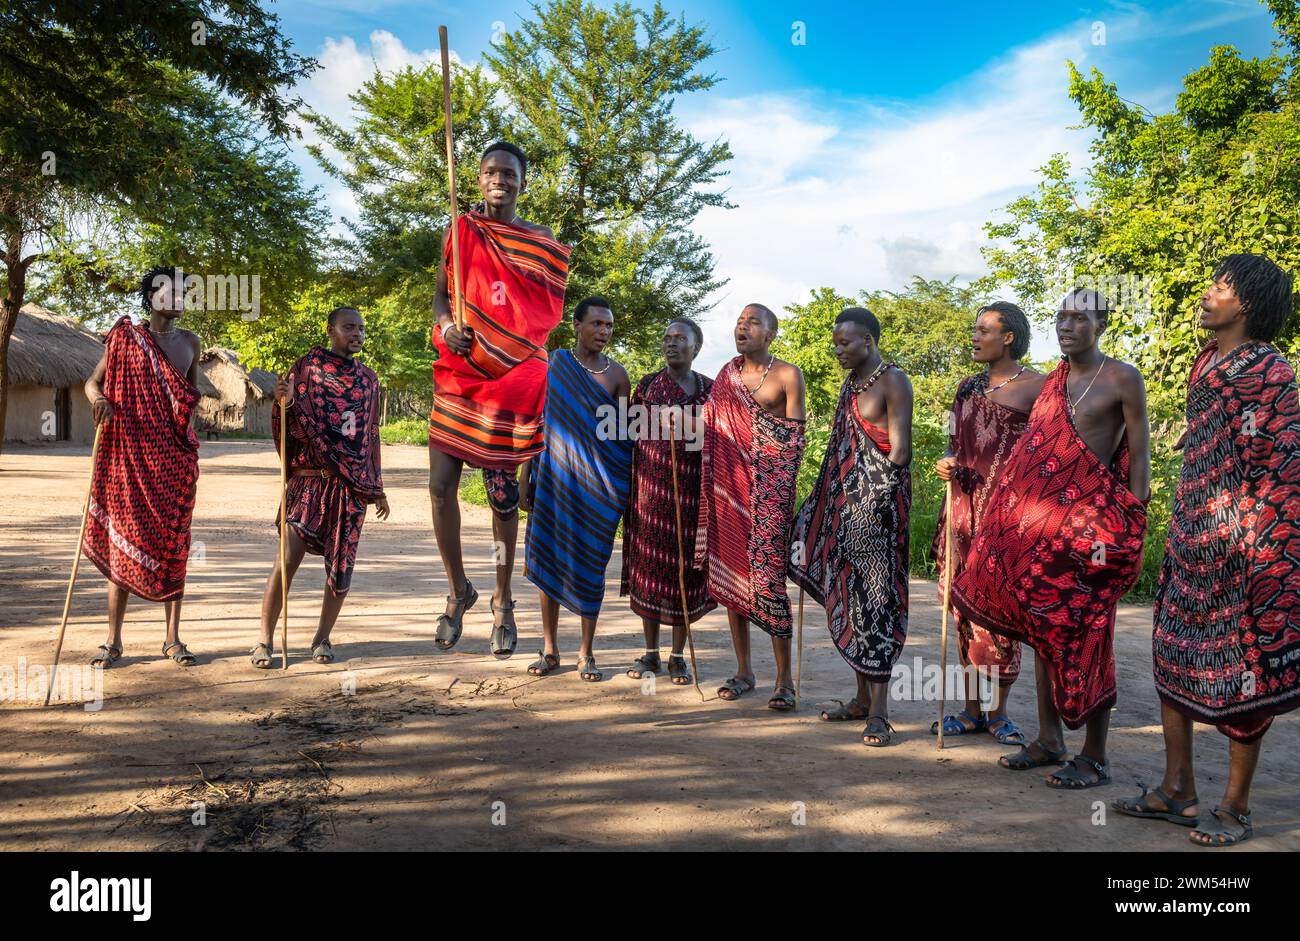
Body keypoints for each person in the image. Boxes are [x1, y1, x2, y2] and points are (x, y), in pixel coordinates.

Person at [1115, 254, 1299, 847]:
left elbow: (1284, 467)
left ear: (1246, 303)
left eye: (1220, 286)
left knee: (1243, 670)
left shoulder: (1270, 371)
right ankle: (1178, 790)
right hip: (1194, 539)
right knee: (1172, 655)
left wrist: (1261, 546)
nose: (1207, 293)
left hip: (1245, 547)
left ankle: (1236, 806)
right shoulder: (1204, 363)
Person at [952, 287, 1151, 788]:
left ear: (1101, 325)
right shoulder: (1051, 386)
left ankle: (1096, 755)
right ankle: (1048, 739)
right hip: (1041, 535)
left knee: (1089, 639)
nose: (1067, 326)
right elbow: (1027, 457)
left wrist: (1131, 521)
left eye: (1080, 318)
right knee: (1043, 633)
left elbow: (1139, 459)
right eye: (1062, 317)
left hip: (1093, 533)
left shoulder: (1122, 378)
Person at [428, 141, 571, 657]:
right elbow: (442, 296)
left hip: (514, 379)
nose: (499, 180)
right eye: (490, 171)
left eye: (509, 173)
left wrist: (497, 341)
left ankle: (503, 599)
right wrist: (447, 330)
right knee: (440, 488)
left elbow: (544, 315)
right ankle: (458, 587)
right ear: (478, 178)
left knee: (502, 497)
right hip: (460, 372)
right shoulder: (460, 229)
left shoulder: (541, 242)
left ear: (522, 182)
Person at [791, 307, 913, 745]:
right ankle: (860, 698)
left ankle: (879, 713)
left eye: (846, 342)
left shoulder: (893, 381)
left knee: (878, 603)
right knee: (851, 596)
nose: (838, 349)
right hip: (845, 507)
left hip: (880, 512)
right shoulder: (850, 385)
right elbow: (838, 452)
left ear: (869, 341)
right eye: (836, 342)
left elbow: (899, 451)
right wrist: (822, 503)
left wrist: (869, 504)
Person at [931, 302, 1046, 745]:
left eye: (984, 330)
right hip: (962, 508)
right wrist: (947, 462)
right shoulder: (967, 387)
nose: (975, 337)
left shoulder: (1038, 388)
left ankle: (1000, 713)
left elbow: (1046, 452)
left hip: (1008, 515)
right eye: (974, 329)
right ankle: (971, 709)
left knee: (999, 609)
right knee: (963, 610)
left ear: (1009, 337)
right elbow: (955, 444)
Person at [251, 307, 390, 668]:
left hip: (350, 488)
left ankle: (322, 637)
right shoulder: (307, 369)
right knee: (286, 560)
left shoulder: (369, 381)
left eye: (361, 328)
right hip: (309, 482)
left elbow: (370, 437)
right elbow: (291, 420)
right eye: (349, 327)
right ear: (331, 330)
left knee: (340, 570)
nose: (357, 333)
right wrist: (284, 404)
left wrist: (376, 486)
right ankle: (265, 640)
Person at [82, 266, 203, 668]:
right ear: (149, 297)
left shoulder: (190, 343)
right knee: (123, 546)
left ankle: (173, 639)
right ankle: (113, 642)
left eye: (185, 291)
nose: (180, 296)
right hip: (128, 461)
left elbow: (190, 397)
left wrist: (185, 448)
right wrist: (98, 401)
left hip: (173, 465)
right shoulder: (125, 339)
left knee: (174, 549)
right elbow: (91, 383)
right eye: (170, 290)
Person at [696, 303, 807, 710]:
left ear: (771, 334)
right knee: (732, 579)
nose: (743, 328)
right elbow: (713, 424)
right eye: (739, 322)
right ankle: (744, 670)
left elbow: (795, 439)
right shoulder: (726, 375)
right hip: (728, 492)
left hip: (769, 494)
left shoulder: (787, 375)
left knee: (768, 583)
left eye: (753, 322)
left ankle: (784, 680)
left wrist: (766, 472)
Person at [520, 297, 632, 681]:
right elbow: (534, 422)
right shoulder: (553, 364)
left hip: (599, 489)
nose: (603, 332)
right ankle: (549, 648)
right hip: (552, 480)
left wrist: (622, 489)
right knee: (548, 558)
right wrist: (525, 478)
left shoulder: (617, 376)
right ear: (577, 325)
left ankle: (587, 653)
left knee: (592, 564)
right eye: (597, 324)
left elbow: (620, 437)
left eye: (609, 326)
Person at [620, 318, 715, 685]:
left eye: (680, 339)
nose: (671, 343)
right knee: (650, 572)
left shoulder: (709, 391)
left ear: (696, 348)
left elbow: (719, 438)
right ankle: (651, 653)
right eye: (667, 337)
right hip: (649, 495)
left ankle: (678, 656)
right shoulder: (647, 387)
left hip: (692, 498)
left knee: (686, 575)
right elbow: (628, 433)